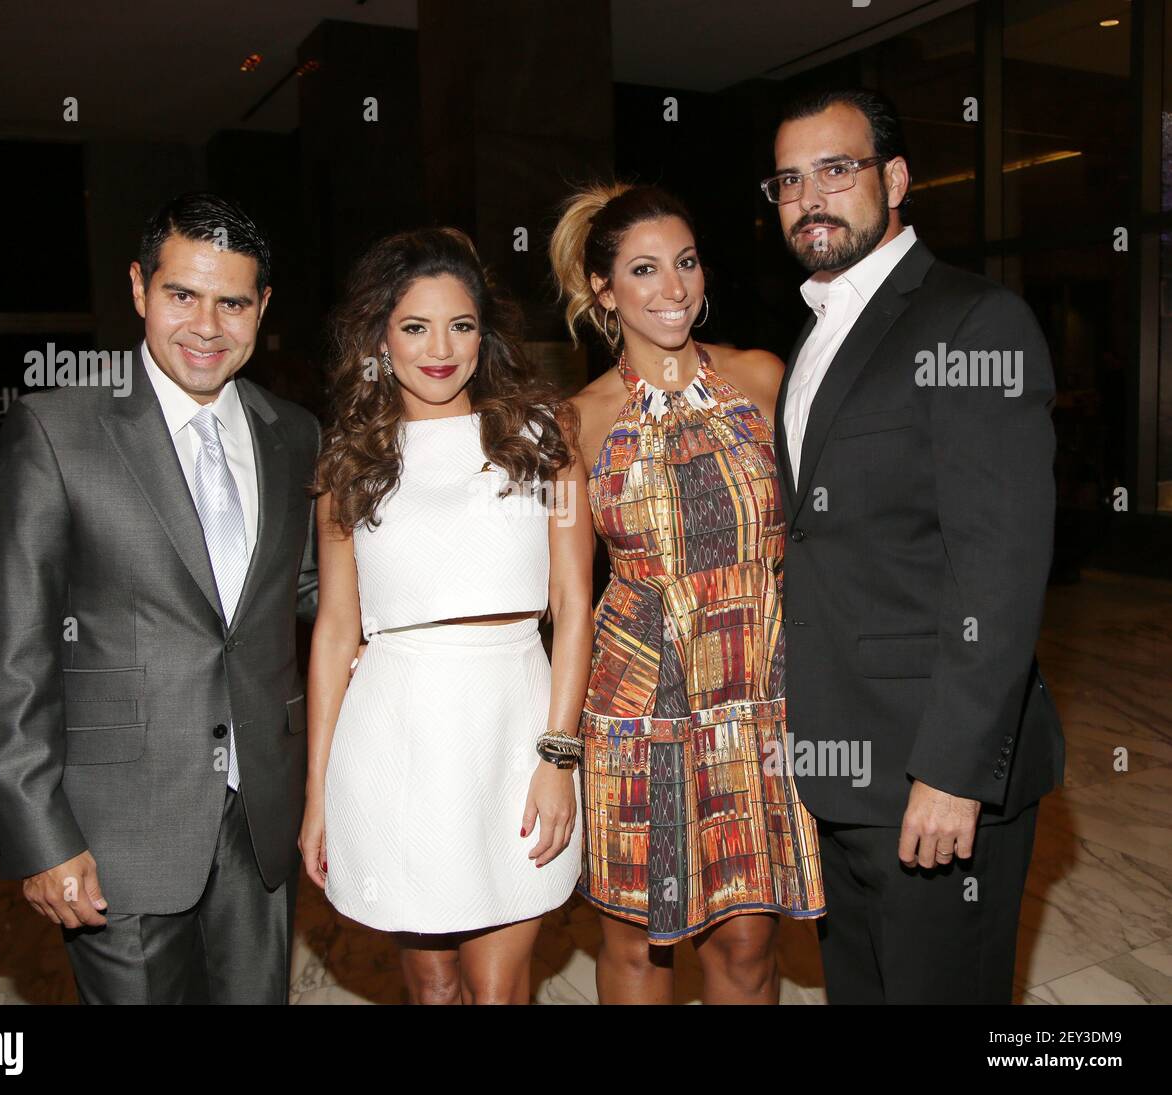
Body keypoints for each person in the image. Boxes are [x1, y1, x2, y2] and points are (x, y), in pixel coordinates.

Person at [0, 193, 321, 1004]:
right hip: (114, 825)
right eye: (181, 295)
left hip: (258, 817)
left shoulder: (292, 431)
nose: (206, 325)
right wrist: (39, 836)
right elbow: (6, 659)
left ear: (262, 308)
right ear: (138, 288)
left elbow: (301, 591)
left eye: (232, 302)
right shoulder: (55, 430)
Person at [764, 87, 1065, 1003]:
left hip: (931, 779)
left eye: (836, 169)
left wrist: (951, 769)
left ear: (894, 179)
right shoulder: (815, 336)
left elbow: (1002, 566)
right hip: (840, 772)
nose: (809, 196)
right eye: (788, 180)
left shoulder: (973, 323)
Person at [549, 183, 825, 1004]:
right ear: (604, 290)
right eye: (643, 270)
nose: (674, 289)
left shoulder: (765, 379)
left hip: (757, 701)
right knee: (636, 947)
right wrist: (556, 750)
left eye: (686, 263)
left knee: (746, 942)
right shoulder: (574, 423)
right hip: (638, 710)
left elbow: (822, 540)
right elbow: (569, 598)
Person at [300, 226, 591, 1004]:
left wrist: (558, 756)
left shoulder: (545, 435)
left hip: (514, 726)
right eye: (414, 326)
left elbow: (572, 605)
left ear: (484, 335)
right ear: (379, 338)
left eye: (461, 325)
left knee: (495, 989)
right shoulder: (350, 458)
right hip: (394, 736)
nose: (440, 347)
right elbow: (335, 633)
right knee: (431, 987)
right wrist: (318, 794)